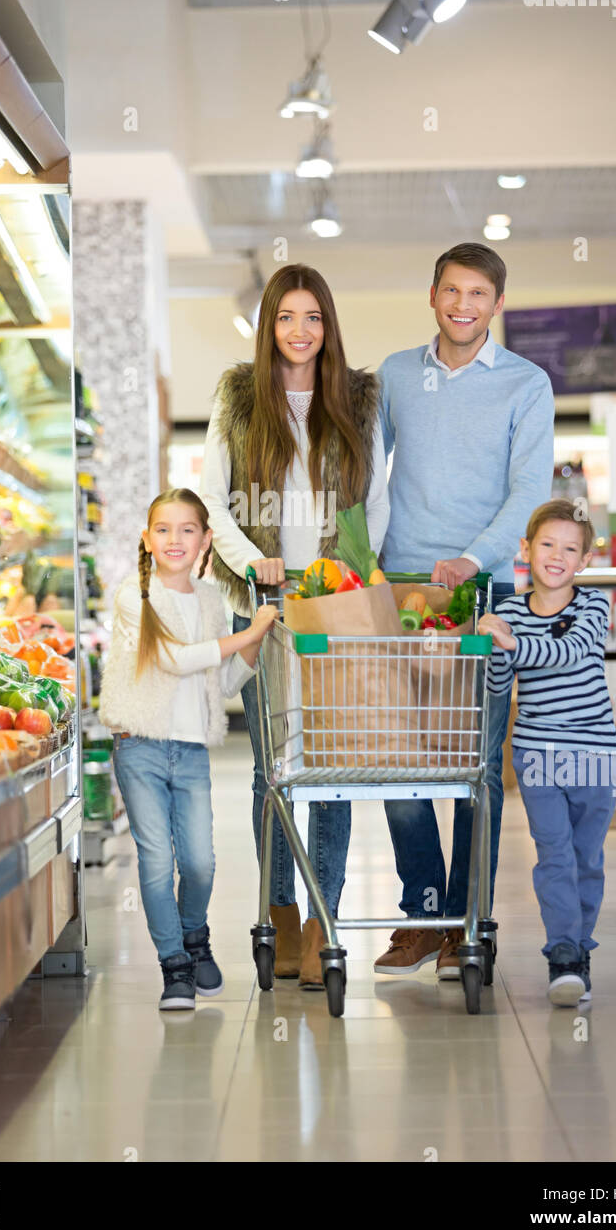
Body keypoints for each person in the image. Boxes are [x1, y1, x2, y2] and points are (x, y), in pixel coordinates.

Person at [201, 263, 390, 988]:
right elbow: (214, 500)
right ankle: (279, 916)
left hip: (332, 608)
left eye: (313, 318)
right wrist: (256, 562)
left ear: (328, 325)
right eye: (286, 317)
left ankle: (322, 921)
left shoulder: (358, 401)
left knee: (333, 767)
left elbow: (380, 499)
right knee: (271, 772)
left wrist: (355, 570)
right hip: (265, 611)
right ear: (268, 325)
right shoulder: (241, 400)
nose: (300, 331)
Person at [375, 242, 554, 981]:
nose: (463, 305)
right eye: (452, 291)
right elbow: (361, 471)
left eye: (478, 294)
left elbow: (528, 491)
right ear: (432, 295)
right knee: (400, 758)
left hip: (486, 596)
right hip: (401, 592)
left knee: (476, 764)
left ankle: (467, 923)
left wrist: (476, 559)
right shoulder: (394, 375)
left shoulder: (526, 384)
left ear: (496, 304)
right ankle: (423, 916)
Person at [99, 487, 278, 1011]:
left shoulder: (209, 600)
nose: (175, 539)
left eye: (187, 530)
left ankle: (195, 936)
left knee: (199, 862)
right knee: (157, 862)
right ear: (147, 538)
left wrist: (256, 644)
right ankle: (175, 966)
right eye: (163, 529)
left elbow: (220, 681)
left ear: (205, 540)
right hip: (141, 747)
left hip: (193, 748)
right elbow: (176, 659)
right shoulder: (135, 595)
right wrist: (245, 637)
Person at [480, 500, 616, 1006]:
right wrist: (495, 647)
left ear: (583, 561)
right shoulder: (509, 612)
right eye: (547, 544)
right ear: (526, 549)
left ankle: (580, 949)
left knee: (587, 858)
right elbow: (500, 686)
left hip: (595, 752)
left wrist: (512, 645)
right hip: (537, 753)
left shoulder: (593, 606)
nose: (557, 556)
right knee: (554, 855)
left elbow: (569, 652)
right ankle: (563, 955)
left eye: (570, 548)